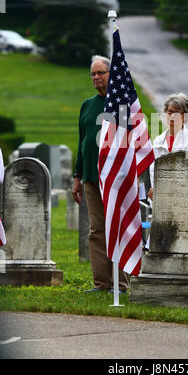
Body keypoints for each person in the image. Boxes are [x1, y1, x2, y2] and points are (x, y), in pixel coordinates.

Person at [72, 55, 130, 294]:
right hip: (90, 177)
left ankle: (122, 283)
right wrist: (77, 177)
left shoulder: (120, 104)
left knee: (118, 226)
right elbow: (82, 142)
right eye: (93, 74)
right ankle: (101, 283)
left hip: (115, 177)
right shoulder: (87, 105)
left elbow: (129, 142)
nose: (96, 77)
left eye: (101, 73)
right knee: (97, 230)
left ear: (111, 74)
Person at [148, 93, 188, 199]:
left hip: (182, 197)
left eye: (177, 112)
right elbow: (153, 170)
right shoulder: (158, 141)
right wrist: (155, 190)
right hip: (161, 197)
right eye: (170, 111)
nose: (172, 116)